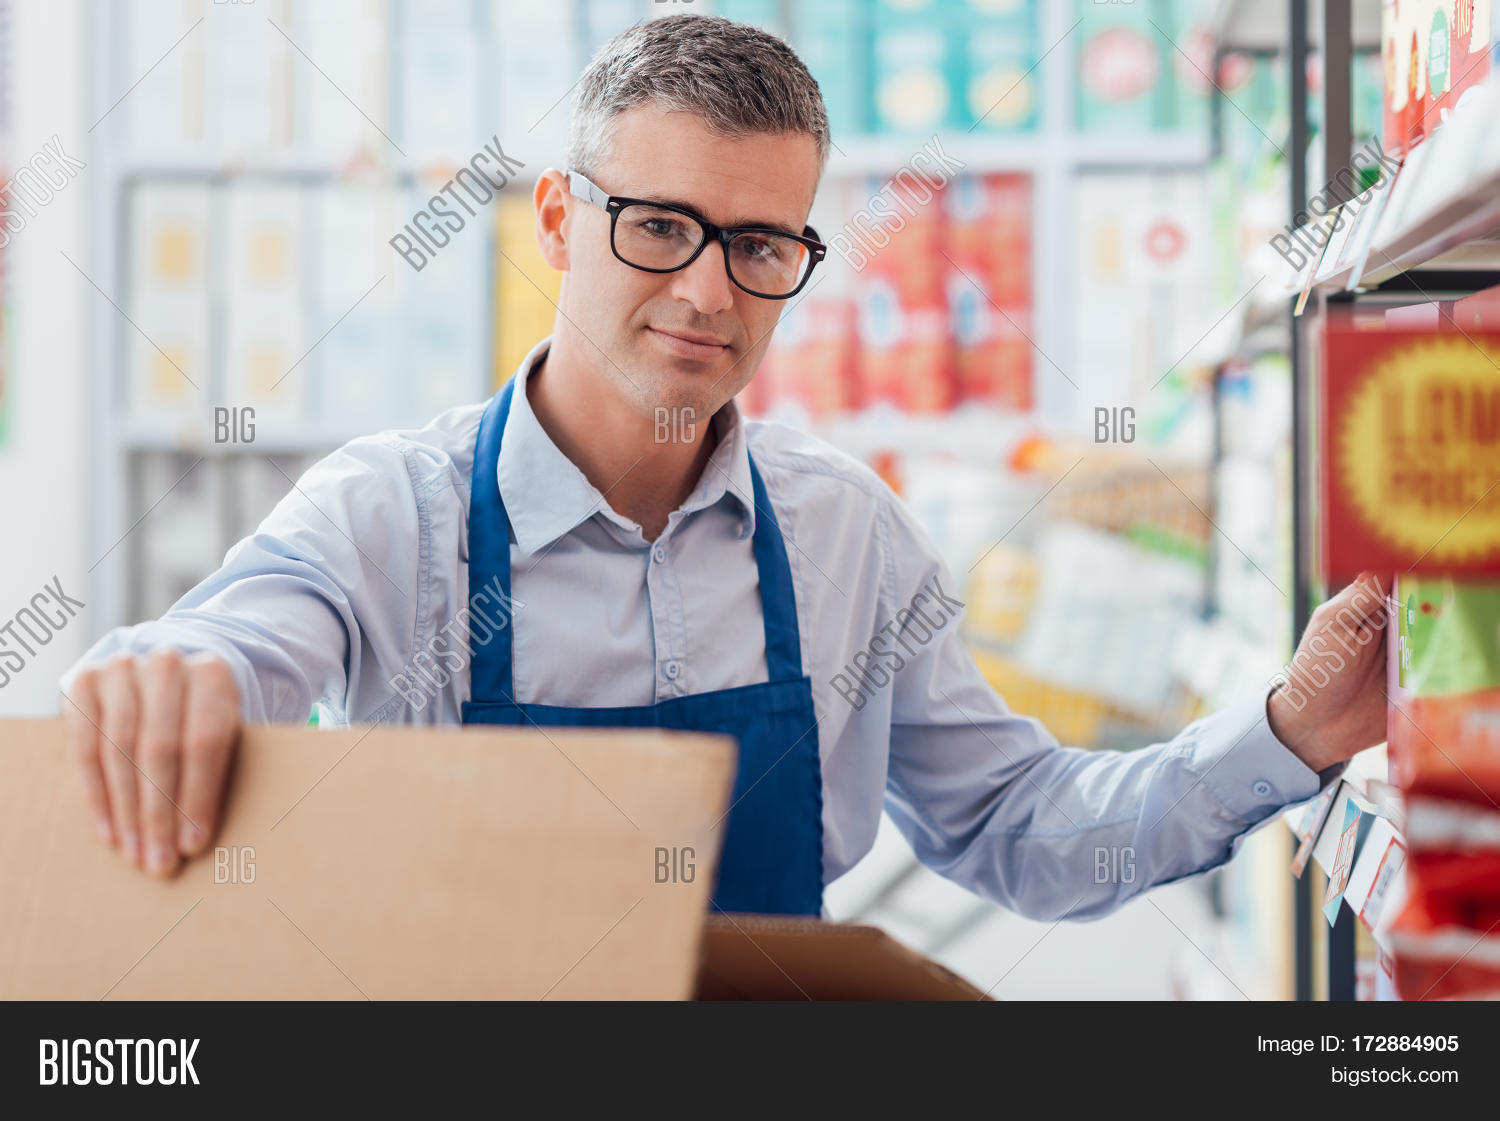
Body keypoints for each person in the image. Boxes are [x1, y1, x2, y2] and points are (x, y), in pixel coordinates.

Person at [62, 15, 1387, 919]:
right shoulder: (389, 517)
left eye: (761, 244)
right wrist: (173, 680)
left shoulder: (848, 534)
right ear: (559, 222)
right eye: (659, 227)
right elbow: (229, 644)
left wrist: (1288, 735)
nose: (707, 291)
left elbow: (1018, 824)